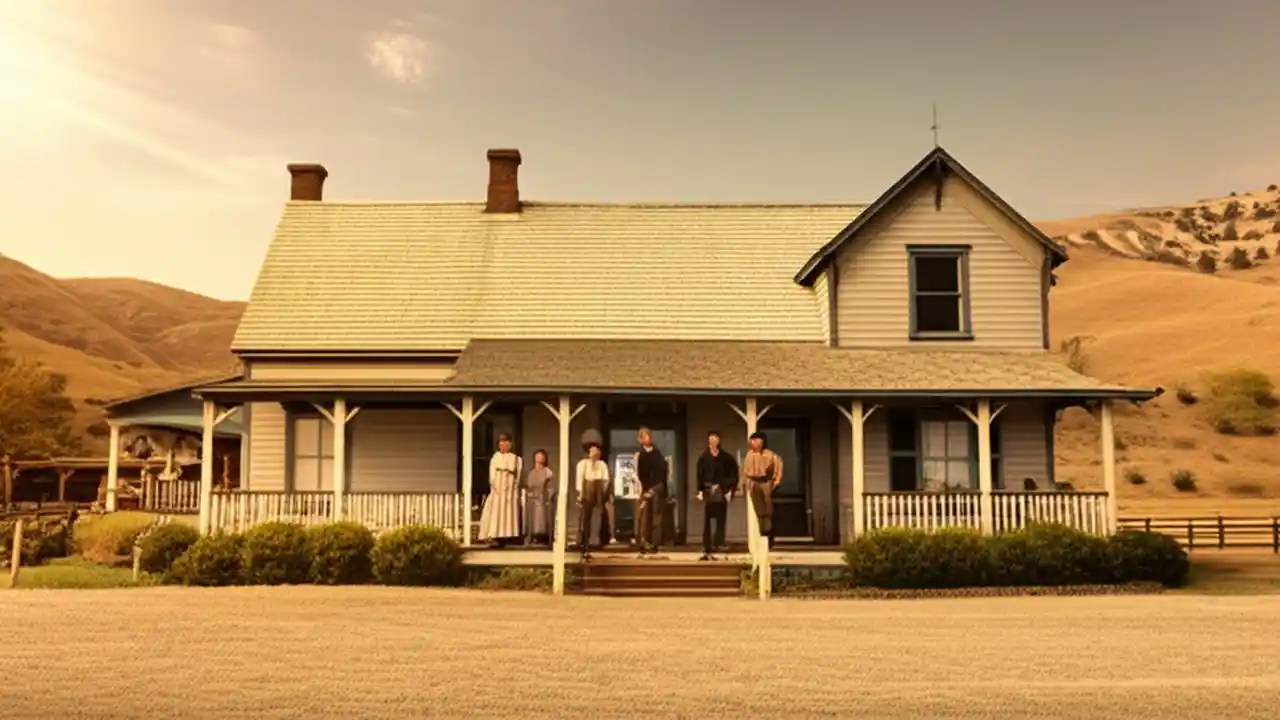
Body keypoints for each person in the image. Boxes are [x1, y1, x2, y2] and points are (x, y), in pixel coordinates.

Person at [695, 430, 738, 560]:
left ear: (719, 440)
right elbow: (699, 475)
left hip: (721, 489)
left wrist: (729, 488)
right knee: (708, 518)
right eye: (711, 438)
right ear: (708, 441)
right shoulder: (703, 458)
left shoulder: (726, 457)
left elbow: (733, 474)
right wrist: (700, 490)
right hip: (708, 490)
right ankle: (707, 544)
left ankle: (718, 541)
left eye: (715, 438)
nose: (713, 441)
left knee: (721, 516)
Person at [478, 432, 522, 548]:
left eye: (506, 442)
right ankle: (494, 536)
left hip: (509, 491)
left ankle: (505, 537)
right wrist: (495, 487)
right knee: (495, 514)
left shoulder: (515, 458)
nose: (504, 445)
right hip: (497, 491)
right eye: (502, 442)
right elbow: (492, 476)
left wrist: (513, 489)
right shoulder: (495, 457)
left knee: (507, 515)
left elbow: (518, 476)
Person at [741, 431, 782, 550]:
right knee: (759, 512)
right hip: (754, 483)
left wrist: (775, 482)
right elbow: (745, 472)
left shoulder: (770, 455)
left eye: (757, 440)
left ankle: (769, 536)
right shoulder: (749, 455)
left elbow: (778, 469)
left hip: (766, 482)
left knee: (768, 511)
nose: (754, 443)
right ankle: (761, 535)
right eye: (752, 440)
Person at [634, 427, 668, 554]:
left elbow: (662, 472)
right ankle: (644, 542)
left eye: (648, 435)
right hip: (645, 488)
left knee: (656, 516)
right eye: (643, 436)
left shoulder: (657, 453)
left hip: (657, 488)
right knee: (644, 517)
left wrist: (655, 488)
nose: (646, 438)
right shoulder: (640, 455)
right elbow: (640, 473)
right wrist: (645, 489)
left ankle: (655, 543)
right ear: (640, 439)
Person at [575, 439, 611, 560]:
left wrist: (603, 492)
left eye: (597, 450)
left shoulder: (602, 465)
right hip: (587, 491)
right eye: (592, 450)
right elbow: (579, 479)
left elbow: (606, 480)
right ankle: (584, 544)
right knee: (586, 519)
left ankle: (598, 541)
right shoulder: (582, 464)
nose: (595, 453)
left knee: (600, 516)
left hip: (599, 491)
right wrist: (580, 494)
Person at [522, 449, 555, 546]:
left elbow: (551, 487)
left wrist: (548, 497)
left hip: (543, 499)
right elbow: (528, 485)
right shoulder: (532, 472)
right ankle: (532, 536)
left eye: (541, 456)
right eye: (537, 456)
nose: (539, 458)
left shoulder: (547, 472)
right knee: (531, 517)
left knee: (541, 516)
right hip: (532, 498)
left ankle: (542, 536)